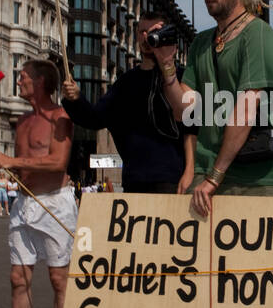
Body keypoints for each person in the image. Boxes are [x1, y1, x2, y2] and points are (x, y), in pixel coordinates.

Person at [156, 0, 273, 218]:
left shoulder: (257, 33)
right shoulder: (200, 42)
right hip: (215, 173)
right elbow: (184, 110)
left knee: (262, 262)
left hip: (261, 176)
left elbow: (246, 110)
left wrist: (213, 177)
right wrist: (166, 66)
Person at [0, 59, 75, 308]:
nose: (18, 82)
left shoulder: (62, 117)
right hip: (24, 203)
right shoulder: (21, 121)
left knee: (59, 278)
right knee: (18, 277)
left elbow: (58, 162)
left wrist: (10, 160)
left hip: (55, 202)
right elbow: (16, 162)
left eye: (23, 78)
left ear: (41, 82)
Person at [60, 11, 193, 194]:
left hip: (173, 180)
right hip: (135, 179)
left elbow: (192, 125)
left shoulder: (182, 77)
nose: (148, 37)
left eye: (155, 31)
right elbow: (95, 118)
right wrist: (75, 98)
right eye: (142, 32)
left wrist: (190, 170)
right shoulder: (125, 83)